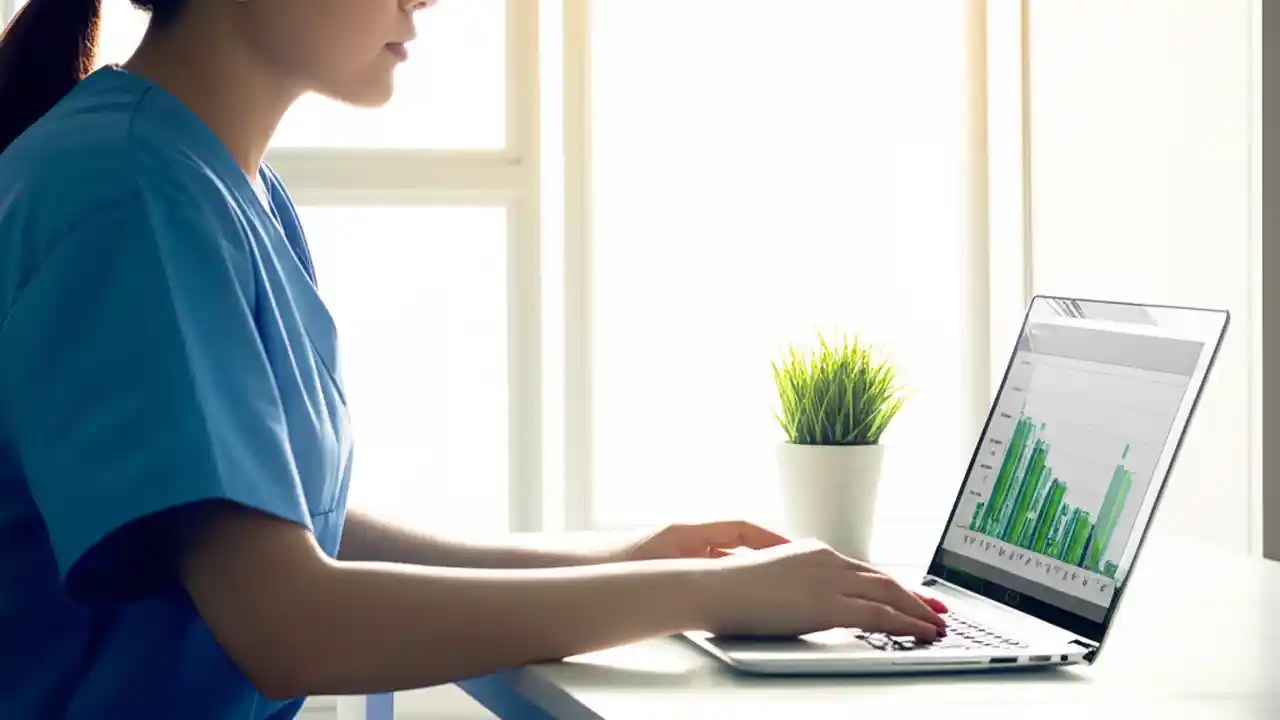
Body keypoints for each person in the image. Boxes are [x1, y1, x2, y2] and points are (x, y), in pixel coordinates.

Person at [0, 0, 948, 717]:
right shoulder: (124, 192)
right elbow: (288, 622)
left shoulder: (213, 181)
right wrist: (711, 594)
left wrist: (630, 553)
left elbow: (289, 529)